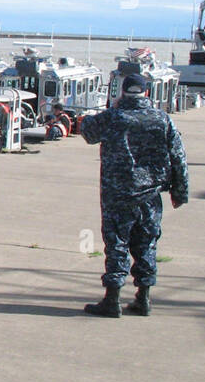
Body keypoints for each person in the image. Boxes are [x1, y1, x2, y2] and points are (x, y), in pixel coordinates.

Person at [80, 73, 188, 317]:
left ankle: (112, 299)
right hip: (150, 194)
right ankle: (144, 298)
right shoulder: (162, 119)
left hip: (118, 193)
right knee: (147, 243)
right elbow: (179, 157)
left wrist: (107, 109)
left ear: (121, 93)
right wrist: (180, 192)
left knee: (117, 244)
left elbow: (87, 131)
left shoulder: (113, 117)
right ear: (147, 93)